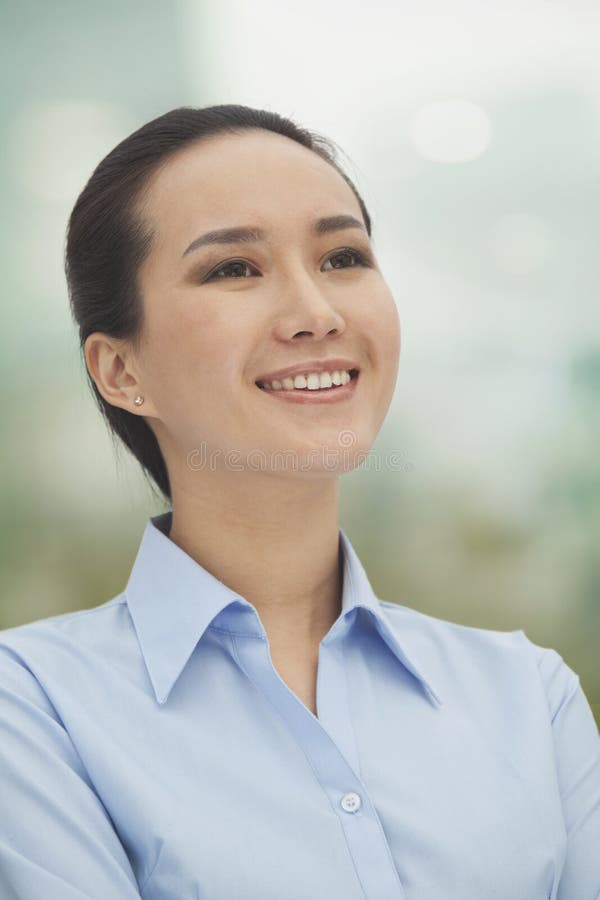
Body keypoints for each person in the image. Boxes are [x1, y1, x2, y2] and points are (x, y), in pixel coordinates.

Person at [0, 104, 598, 900]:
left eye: (343, 256)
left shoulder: (529, 697)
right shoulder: (34, 711)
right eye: (233, 269)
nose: (318, 314)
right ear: (120, 372)